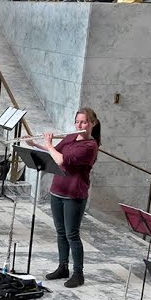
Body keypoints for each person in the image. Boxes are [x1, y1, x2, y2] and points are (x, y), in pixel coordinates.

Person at [39, 108, 101, 288]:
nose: (79, 125)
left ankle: (78, 274)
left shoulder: (90, 146)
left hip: (74, 194)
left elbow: (61, 160)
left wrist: (49, 144)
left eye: (84, 122)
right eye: (77, 122)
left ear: (92, 124)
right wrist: (35, 144)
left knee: (72, 234)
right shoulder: (70, 137)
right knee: (60, 232)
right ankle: (63, 267)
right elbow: (53, 153)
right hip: (57, 190)